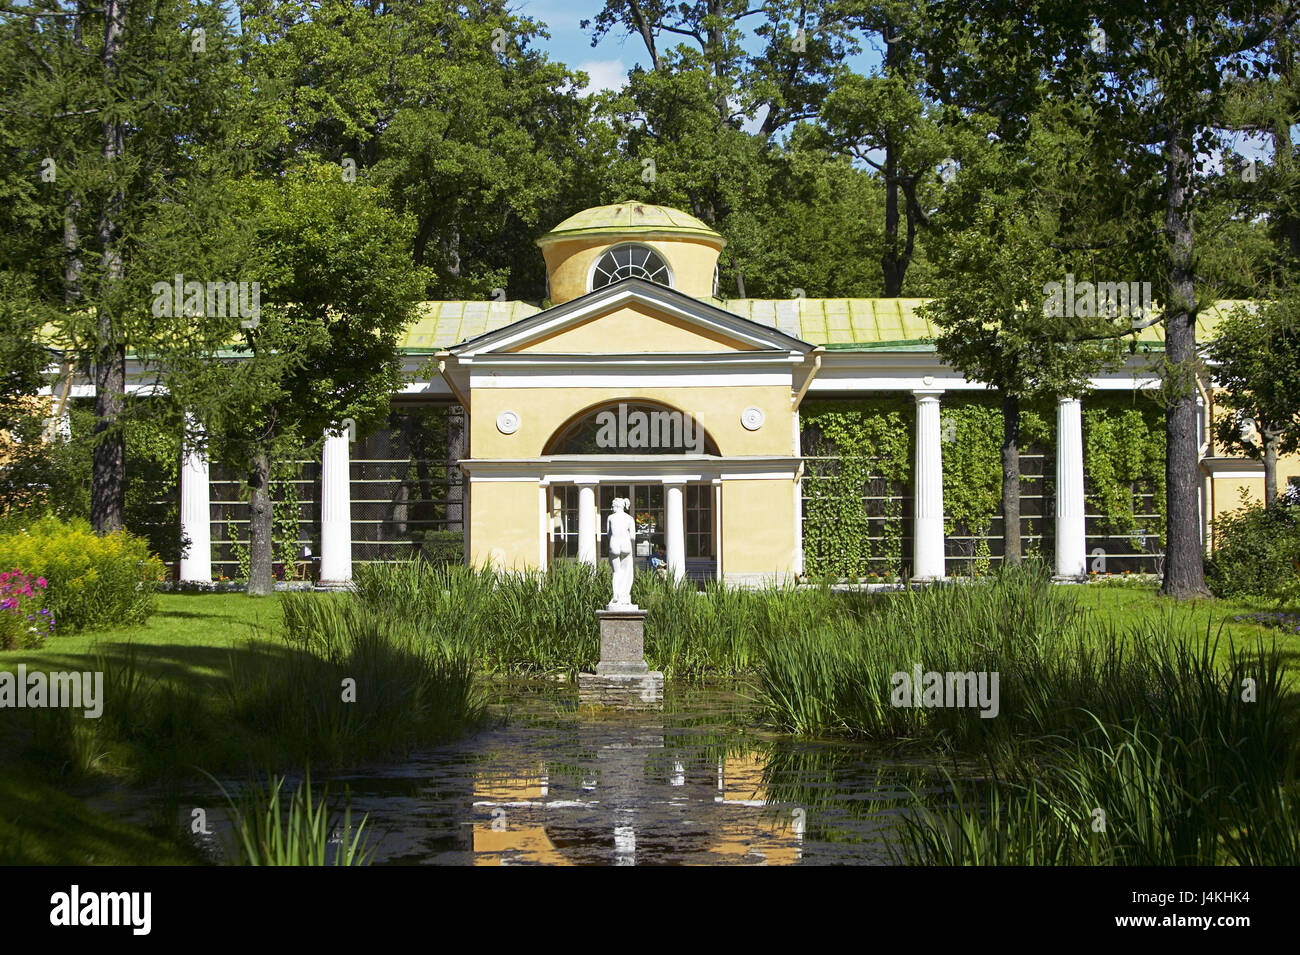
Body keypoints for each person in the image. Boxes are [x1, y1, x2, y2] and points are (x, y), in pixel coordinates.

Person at [606, 497, 636, 608]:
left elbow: (608, 534)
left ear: (617, 506)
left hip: (614, 544)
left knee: (616, 572)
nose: (611, 508)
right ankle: (624, 595)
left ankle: (616, 595)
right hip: (626, 545)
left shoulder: (610, 517)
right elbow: (633, 537)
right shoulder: (629, 518)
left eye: (612, 506)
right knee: (626, 571)